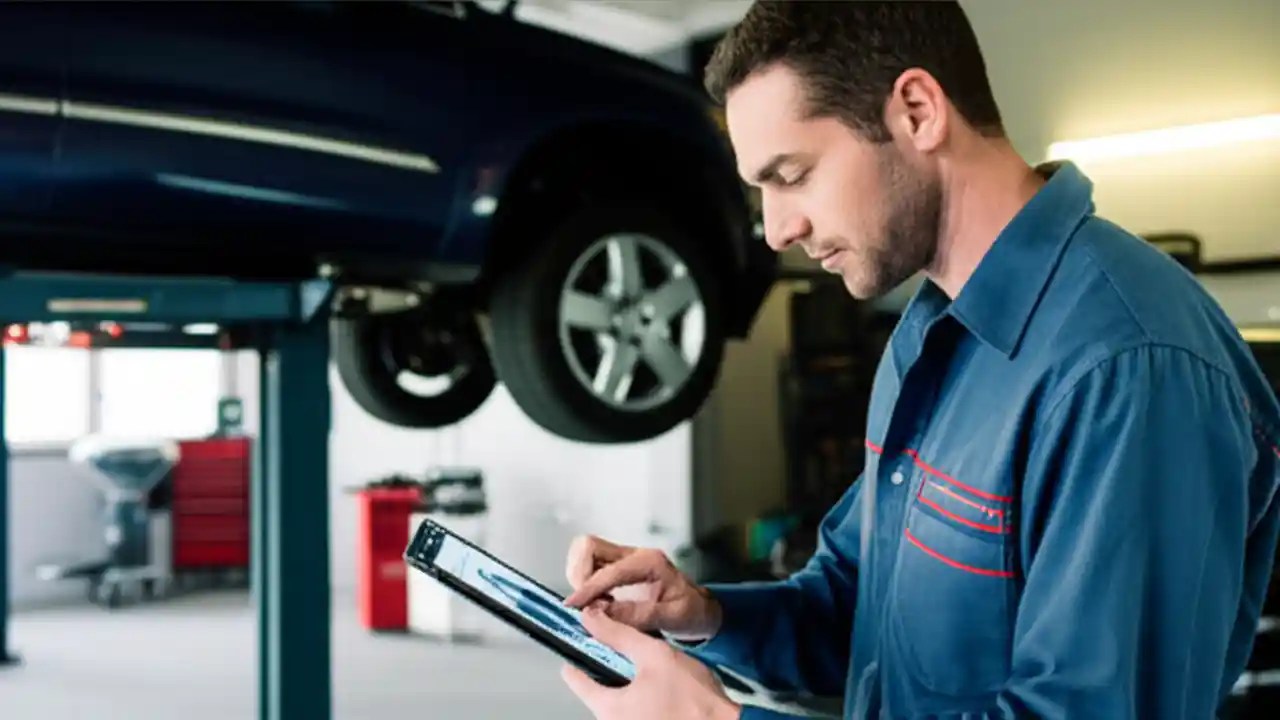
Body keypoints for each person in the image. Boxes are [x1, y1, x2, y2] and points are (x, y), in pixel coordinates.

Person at [558, 2, 1280, 719]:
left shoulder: (1130, 367)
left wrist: (714, 719)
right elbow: (858, 604)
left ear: (916, 110)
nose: (778, 229)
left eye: (793, 173)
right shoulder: (928, 330)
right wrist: (703, 614)